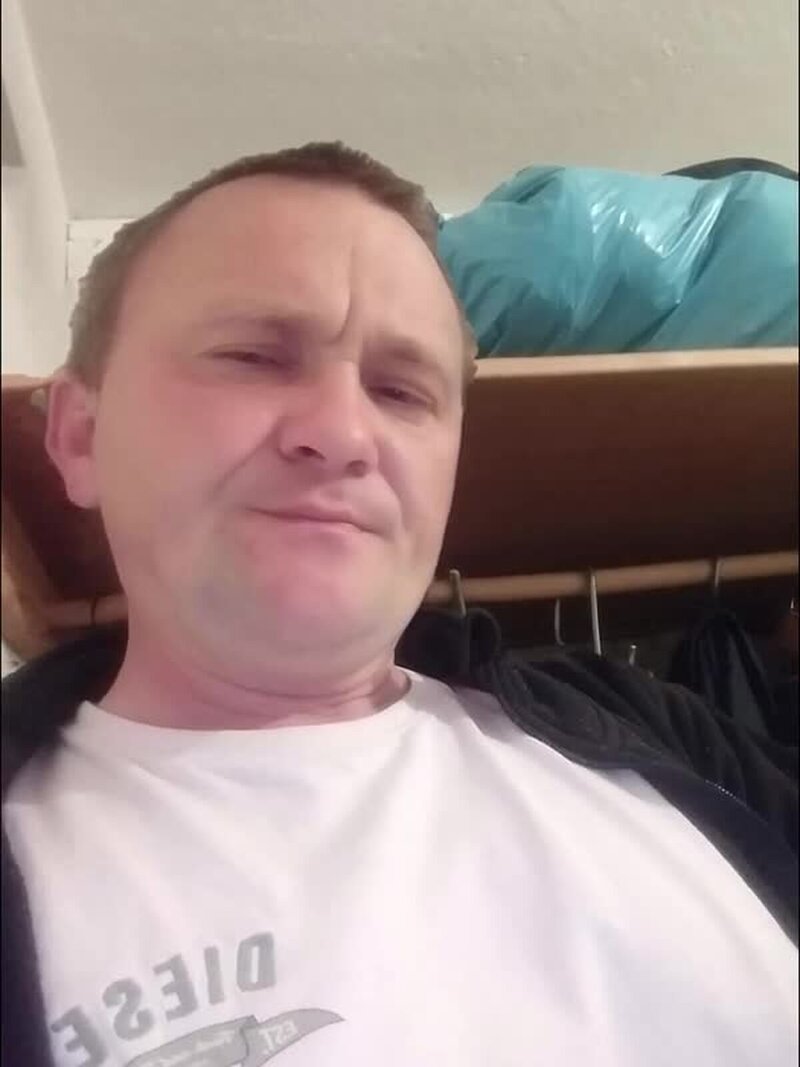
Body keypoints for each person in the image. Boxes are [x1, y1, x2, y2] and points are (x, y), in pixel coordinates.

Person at [1, 142, 797, 1067]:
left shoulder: (659, 732)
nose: (344, 433)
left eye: (400, 390)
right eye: (254, 356)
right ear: (80, 436)